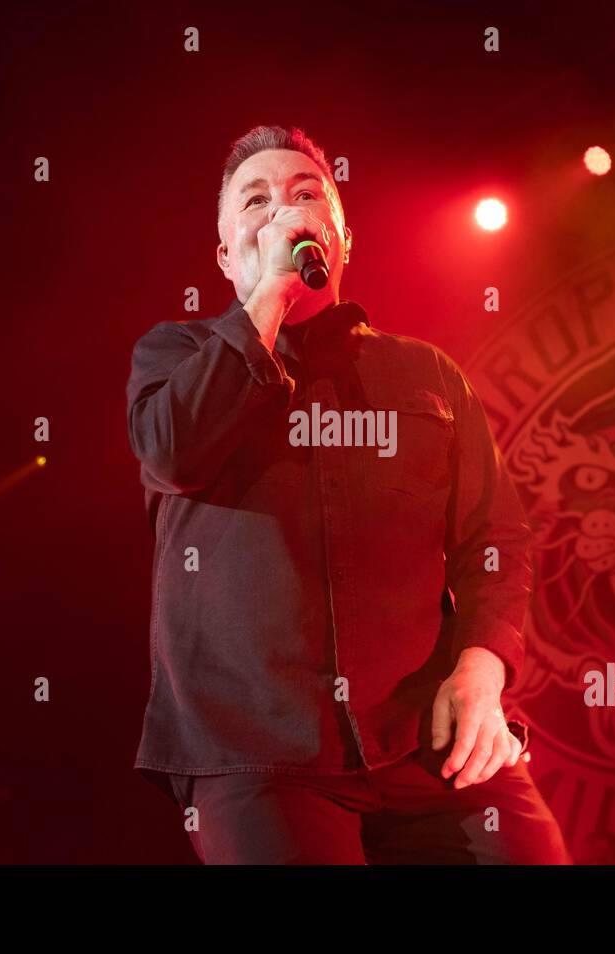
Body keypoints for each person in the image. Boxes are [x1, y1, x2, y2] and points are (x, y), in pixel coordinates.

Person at [125, 124, 570, 864]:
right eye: (257, 201)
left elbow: (493, 540)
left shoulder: (425, 375)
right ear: (226, 253)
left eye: (306, 195)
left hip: (424, 737)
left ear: (341, 237)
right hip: (257, 754)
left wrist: (482, 667)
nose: (284, 210)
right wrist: (270, 291)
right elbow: (174, 452)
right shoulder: (176, 356)